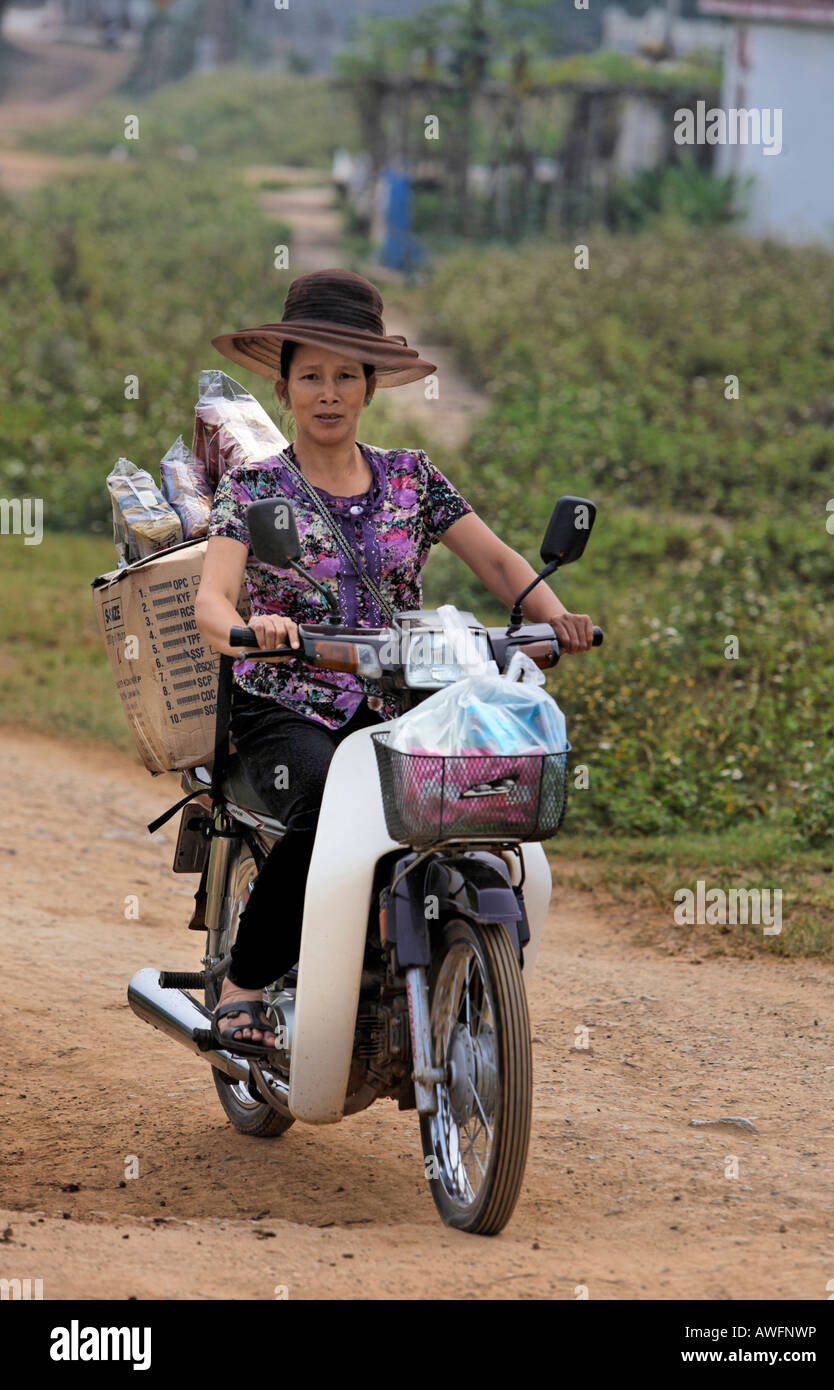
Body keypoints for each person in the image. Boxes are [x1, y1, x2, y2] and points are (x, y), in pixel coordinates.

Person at [195, 268, 595, 1055]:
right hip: (287, 701)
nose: (329, 391)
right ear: (284, 388)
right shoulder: (254, 487)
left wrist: (560, 617)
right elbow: (213, 601)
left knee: (475, 796)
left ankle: (443, 954)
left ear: (370, 387)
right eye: (311, 375)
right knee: (329, 806)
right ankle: (245, 982)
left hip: (402, 697)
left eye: (347, 375)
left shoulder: (414, 479)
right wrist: (254, 628)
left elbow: (504, 567)